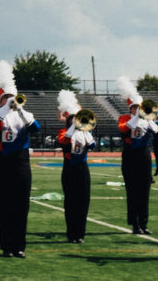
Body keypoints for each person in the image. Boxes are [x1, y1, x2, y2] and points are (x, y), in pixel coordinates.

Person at [0, 64, 39, 258]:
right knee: (2, 205)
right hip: (1, 162)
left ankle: (19, 246)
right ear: (0, 100)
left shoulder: (26, 114)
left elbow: (36, 128)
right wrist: (6, 107)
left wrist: (20, 110)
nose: (10, 100)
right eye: (6, 98)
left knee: (21, 205)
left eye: (12, 97)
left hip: (21, 163)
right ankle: (6, 246)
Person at [115, 77, 158, 235]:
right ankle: (134, 223)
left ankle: (144, 222)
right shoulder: (124, 118)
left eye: (139, 107)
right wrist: (136, 117)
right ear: (131, 108)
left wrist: (150, 120)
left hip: (144, 155)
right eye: (135, 107)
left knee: (144, 189)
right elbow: (124, 129)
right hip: (130, 156)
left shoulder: (147, 120)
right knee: (132, 190)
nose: (137, 110)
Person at [56, 90, 95, 244]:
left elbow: (93, 145)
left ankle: (80, 233)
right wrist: (73, 127)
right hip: (69, 169)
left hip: (82, 169)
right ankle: (71, 233)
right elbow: (64, 141)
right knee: (70, 202)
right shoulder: (63, 132)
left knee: (83, 201)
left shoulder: (84, 133)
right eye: (73, 119)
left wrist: (84, 131)